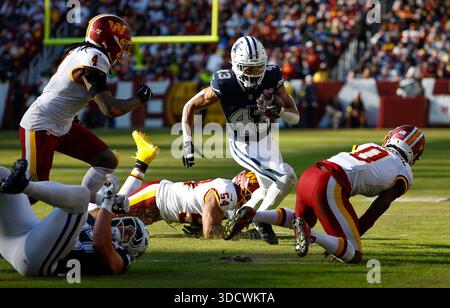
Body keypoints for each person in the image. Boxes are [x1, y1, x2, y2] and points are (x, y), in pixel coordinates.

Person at [223, 125, 425, 264]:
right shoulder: (404, 170)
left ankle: (252, 214)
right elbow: (378, 207)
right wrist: (350, 237)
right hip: (330, 182)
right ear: (415, 151)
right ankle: (312, 236)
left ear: (392, 137)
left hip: (311, 174)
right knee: (353, 253)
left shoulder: (369, 146)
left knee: (304, 220)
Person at [181, 36, 299, 245]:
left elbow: (295, 116)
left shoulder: (271, 75)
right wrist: (188, 142)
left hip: (267, 140)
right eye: (248, 68)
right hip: (243, 143)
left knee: (265, 190)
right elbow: (189, 106)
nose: (254, 74)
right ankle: (260, 220)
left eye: (257, 68)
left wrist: (279, 110)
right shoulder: (225, 83)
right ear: (236, 65)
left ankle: (238, 218)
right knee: (287, 177)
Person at [19, 14, 152, 198]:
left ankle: (85, 208)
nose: (124, 48)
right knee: (32, 192)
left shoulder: (86, 53)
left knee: (106, 160)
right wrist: (140, 99)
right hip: (41, 124)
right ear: (107, 40)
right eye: (121, 43)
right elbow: (110, 109)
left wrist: (70, 114)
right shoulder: (93, 58)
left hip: (63, 122)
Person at [88, 131, 259, 239]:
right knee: (95, 220)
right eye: (253, 194)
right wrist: (238, 235)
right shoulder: (227, 194)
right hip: (155, 200)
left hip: (158, 205)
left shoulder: (227, 190)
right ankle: (105, 179)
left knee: (117, 222)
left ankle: (140, 162)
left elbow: (208, 215)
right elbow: (210, 232)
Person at [0, 159, 149, 276]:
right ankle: (23, 185)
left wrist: (108, 202)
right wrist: (102, 199)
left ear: (135, 250)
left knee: (81, 198)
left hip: (38, 262)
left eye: (130, 233)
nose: (122, 228)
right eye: (126, 224)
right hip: (20, 238)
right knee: (3, 175)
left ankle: (25, 187)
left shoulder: (123, 259)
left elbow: (100, 244)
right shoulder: (92, 220)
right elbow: (67, 197)